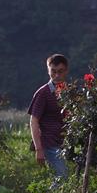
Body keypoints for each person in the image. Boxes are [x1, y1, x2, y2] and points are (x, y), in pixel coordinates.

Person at [29, 54, 69, 182]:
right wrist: (38, 149)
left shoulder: (68, 92)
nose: (57, 75)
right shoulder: (43, 93)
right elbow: (33, 121)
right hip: (48, 143)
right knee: (61, 176)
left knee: (63, 177)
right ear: (48, 71)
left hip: (63, 143)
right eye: (53, 71)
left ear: (66, 71)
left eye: (60, 71)